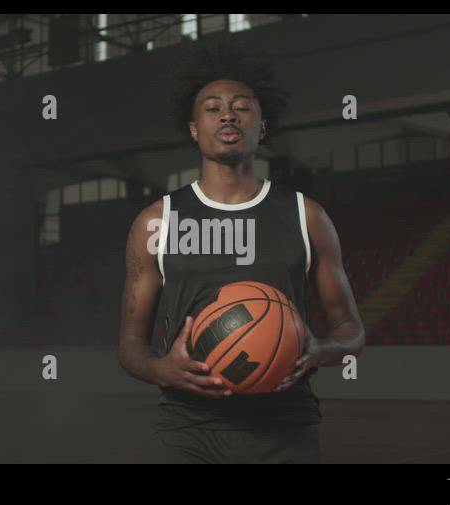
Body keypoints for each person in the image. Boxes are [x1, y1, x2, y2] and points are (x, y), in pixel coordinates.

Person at [118, 42, 364, 463]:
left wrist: (321, 351)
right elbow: (129, 344)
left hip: (285, 426)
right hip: (189, 428)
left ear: (262, 128)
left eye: (242, 107)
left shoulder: (307, 216)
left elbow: (351, 329)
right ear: (194, 130)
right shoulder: (157, 221)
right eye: (212, 108)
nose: (228, 114)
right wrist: (162, 369)